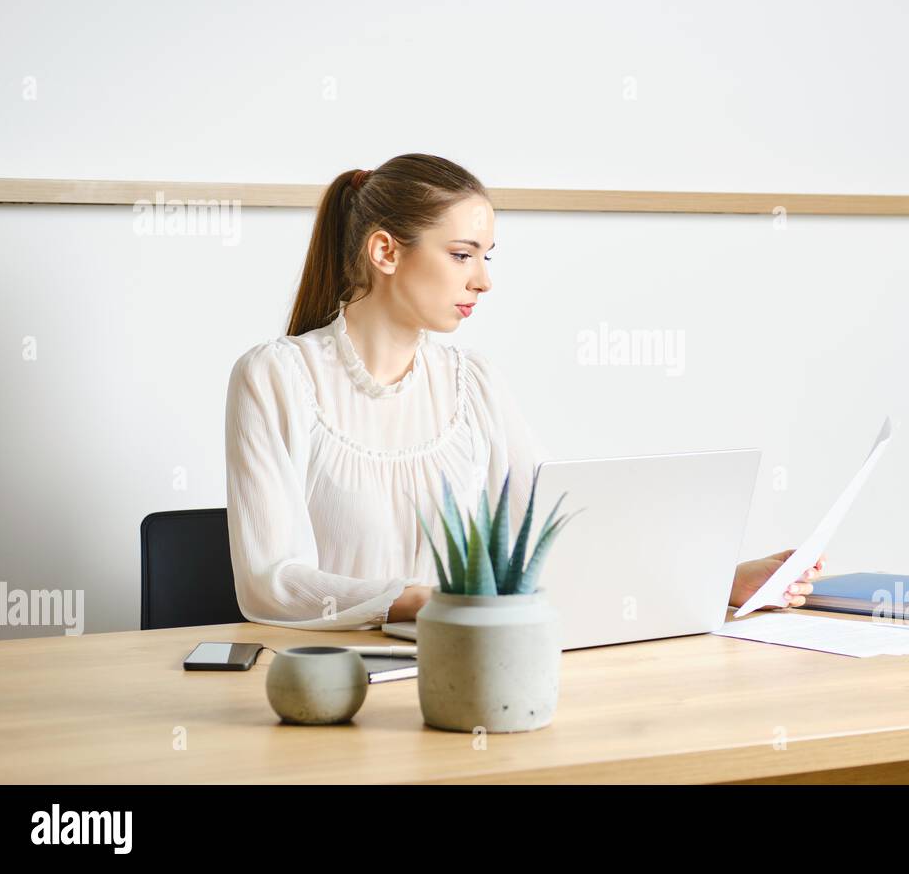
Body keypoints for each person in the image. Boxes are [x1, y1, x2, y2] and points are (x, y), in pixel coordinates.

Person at [224, 153, 824, 630]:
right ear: (384, 250)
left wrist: (721, 580)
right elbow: (271, 580)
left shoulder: (473, 382)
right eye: (462, 255)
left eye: (485, 256)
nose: (483, 281)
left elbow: (552, 548)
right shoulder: (275, 377)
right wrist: (415, 601)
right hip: (332, 687)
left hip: (470, 665)